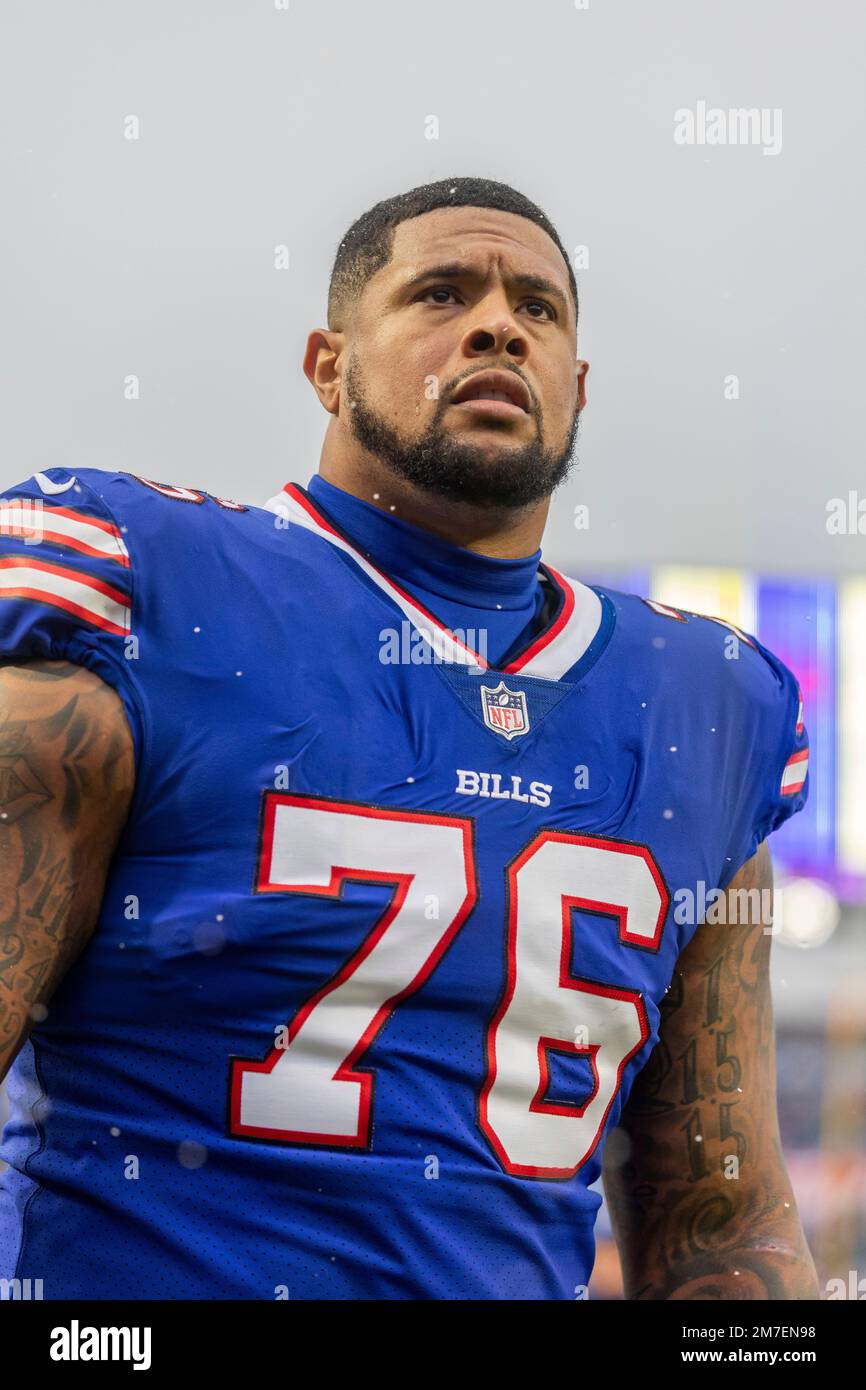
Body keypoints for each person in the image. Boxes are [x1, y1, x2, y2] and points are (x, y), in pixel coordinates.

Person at [0, 176, 817, 1299]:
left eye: (536, 307)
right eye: (440, 293)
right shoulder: (154, 591)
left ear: (574, 388)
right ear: (328, 367)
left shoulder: (703, 708)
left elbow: (718, 1223)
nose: (496, 324)